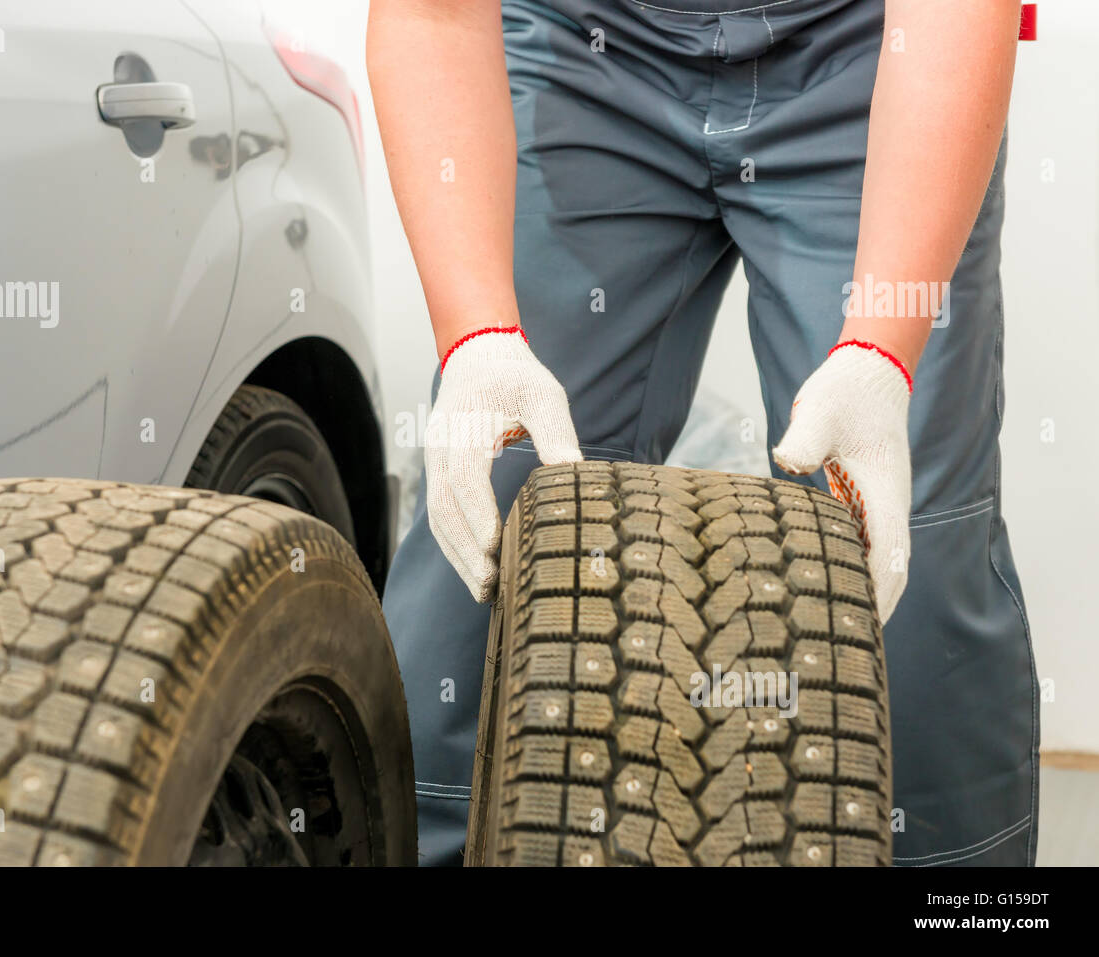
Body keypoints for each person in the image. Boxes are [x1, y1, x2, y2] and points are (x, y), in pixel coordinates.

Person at [368, 0, 1037, 866]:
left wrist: (881, 354)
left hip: (866, 49)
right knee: (495, 500)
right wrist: (479, 339)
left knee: (900, 557)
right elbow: (434, 15)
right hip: (588, 45)